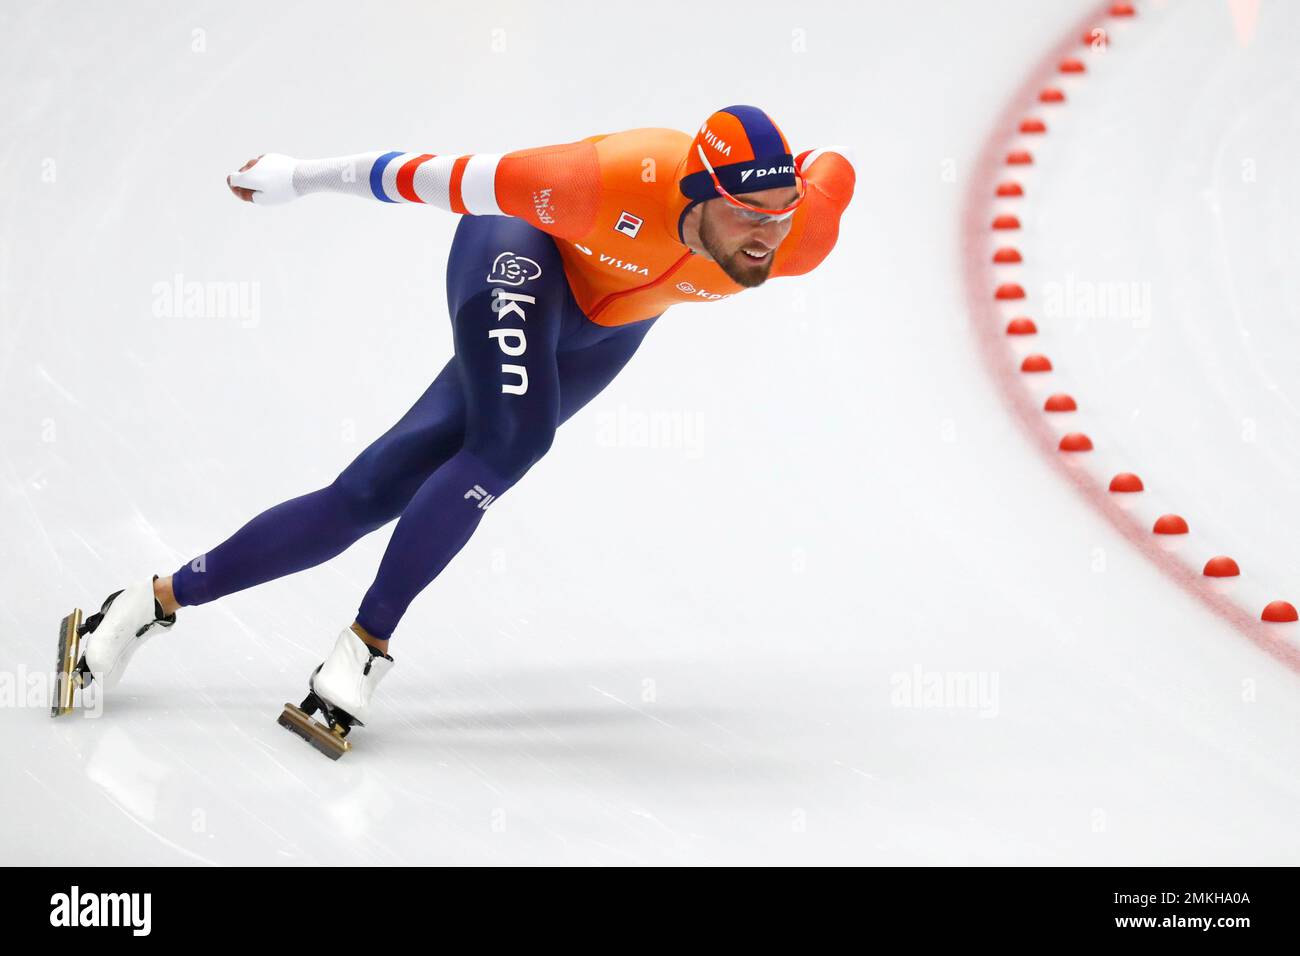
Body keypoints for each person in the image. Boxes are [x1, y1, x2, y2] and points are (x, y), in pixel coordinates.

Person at [55, 105, 855, 750]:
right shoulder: (590, 183)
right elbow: (426, 176)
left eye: (783, 211)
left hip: (603, 333)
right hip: (520, 254)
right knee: (513, 441)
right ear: (697, 190)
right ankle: (364, 649)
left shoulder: (798, 236)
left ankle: (141, 603)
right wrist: (298, 178)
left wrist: (815, 184)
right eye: (750, 214)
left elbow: (832, 173)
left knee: (374, 489)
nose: (769, 236)